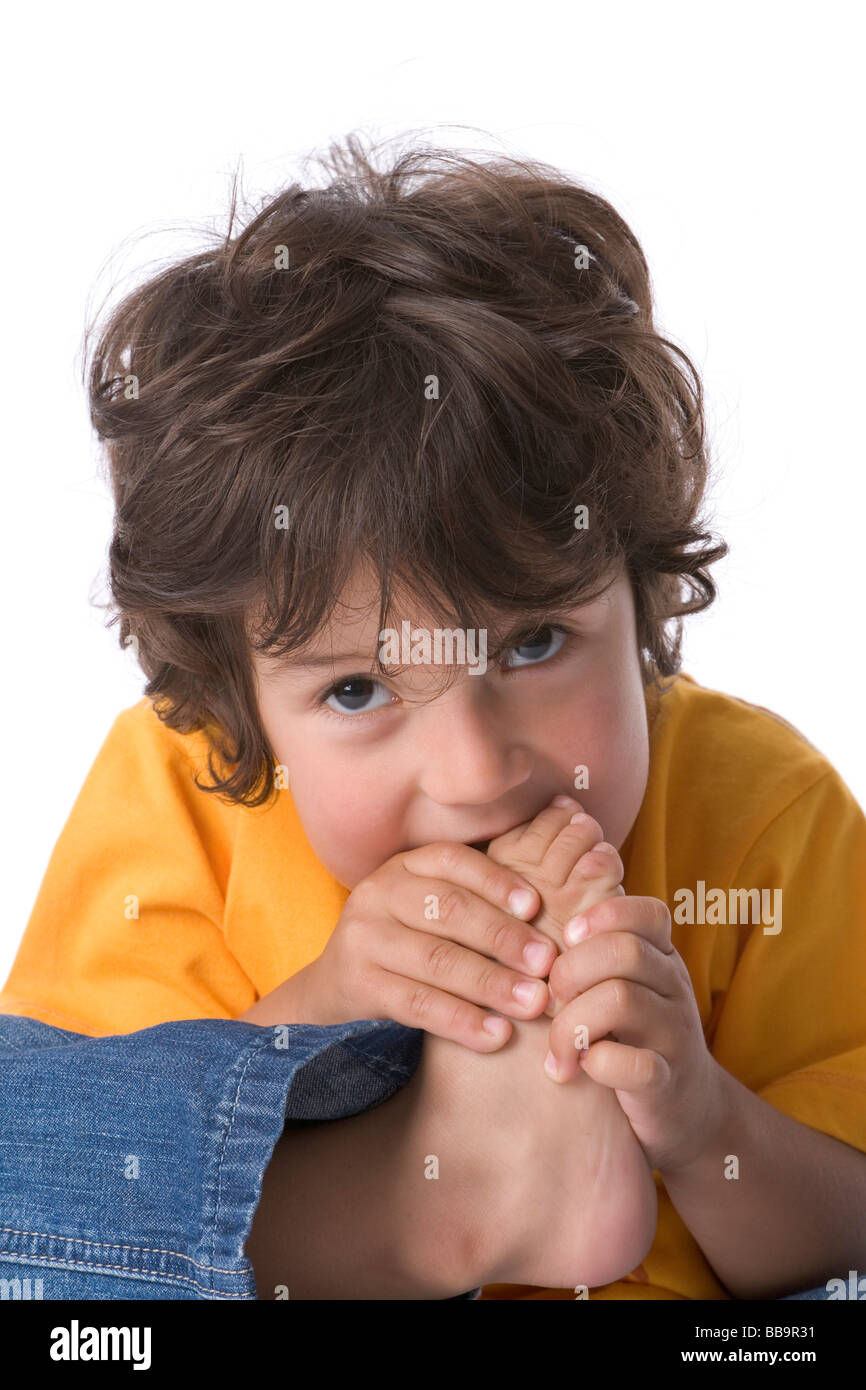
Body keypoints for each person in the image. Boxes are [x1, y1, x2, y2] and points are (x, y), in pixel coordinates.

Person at [1, 133, 864, 1301]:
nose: (472, 770)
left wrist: (698, 1115)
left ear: (641, 594)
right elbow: (88, 1148)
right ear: (237, 707)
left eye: (534, 644)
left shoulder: (757, 807)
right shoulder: (177, 790)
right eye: (356, 691)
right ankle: (442, 1208)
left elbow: (840, 1227)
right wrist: (324, 1014)